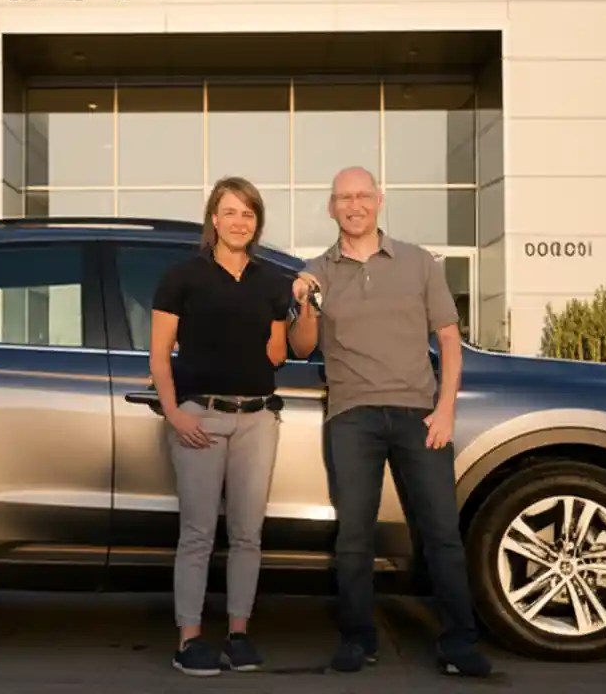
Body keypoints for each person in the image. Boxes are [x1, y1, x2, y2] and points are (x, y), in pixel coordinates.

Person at [287, 166, 492, 678]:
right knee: (354, 534)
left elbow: (447, 339)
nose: (353, 205)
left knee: (441, 531)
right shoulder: (317, 270)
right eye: (343, 198)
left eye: (362, 196)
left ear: (379, 201)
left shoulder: (420, 262)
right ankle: (359, 638)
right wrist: (305, 303)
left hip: (419, 415)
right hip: (351, 416)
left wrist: (445, 409)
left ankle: (459, 642)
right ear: (331, 207)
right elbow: (302, 347)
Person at [149, 175, 292, 676]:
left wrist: (300, 311)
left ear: (257, 222)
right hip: (201, 417)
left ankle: (238, 634)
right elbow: (159, 356)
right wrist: (174, 412)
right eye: (230, 211)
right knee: (198, 533)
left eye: (248, 213)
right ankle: (189, 639)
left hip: (257, 419)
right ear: (214, 218)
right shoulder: (182, 276)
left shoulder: (272, 281)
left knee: (249, 534)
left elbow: (279, 354)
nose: (239, 221)